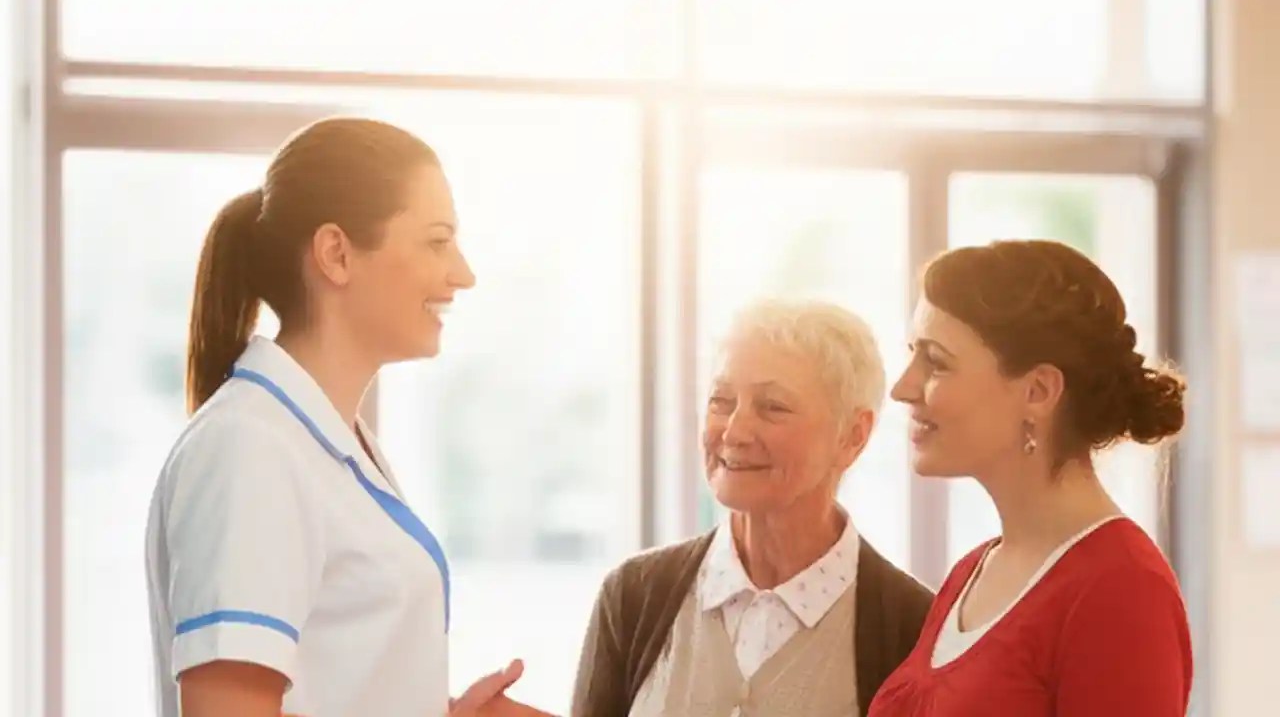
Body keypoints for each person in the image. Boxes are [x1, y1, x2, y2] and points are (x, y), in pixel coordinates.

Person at [144, 117, 549, 717]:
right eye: (438, 241)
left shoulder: (324, 442)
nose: (463, 273)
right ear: (336, 253)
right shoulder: (249, 449)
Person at [869, 240, 1193, 716]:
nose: (902, 387)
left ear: (1038, 391)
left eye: (935, 361)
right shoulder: (972, 572)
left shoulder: (1121, 591)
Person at [571, 299, 934, 716]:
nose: (735, 430)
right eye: (721, 401)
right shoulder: (633, 598)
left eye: (772, 407)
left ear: (853, 435)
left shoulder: (913, 629)